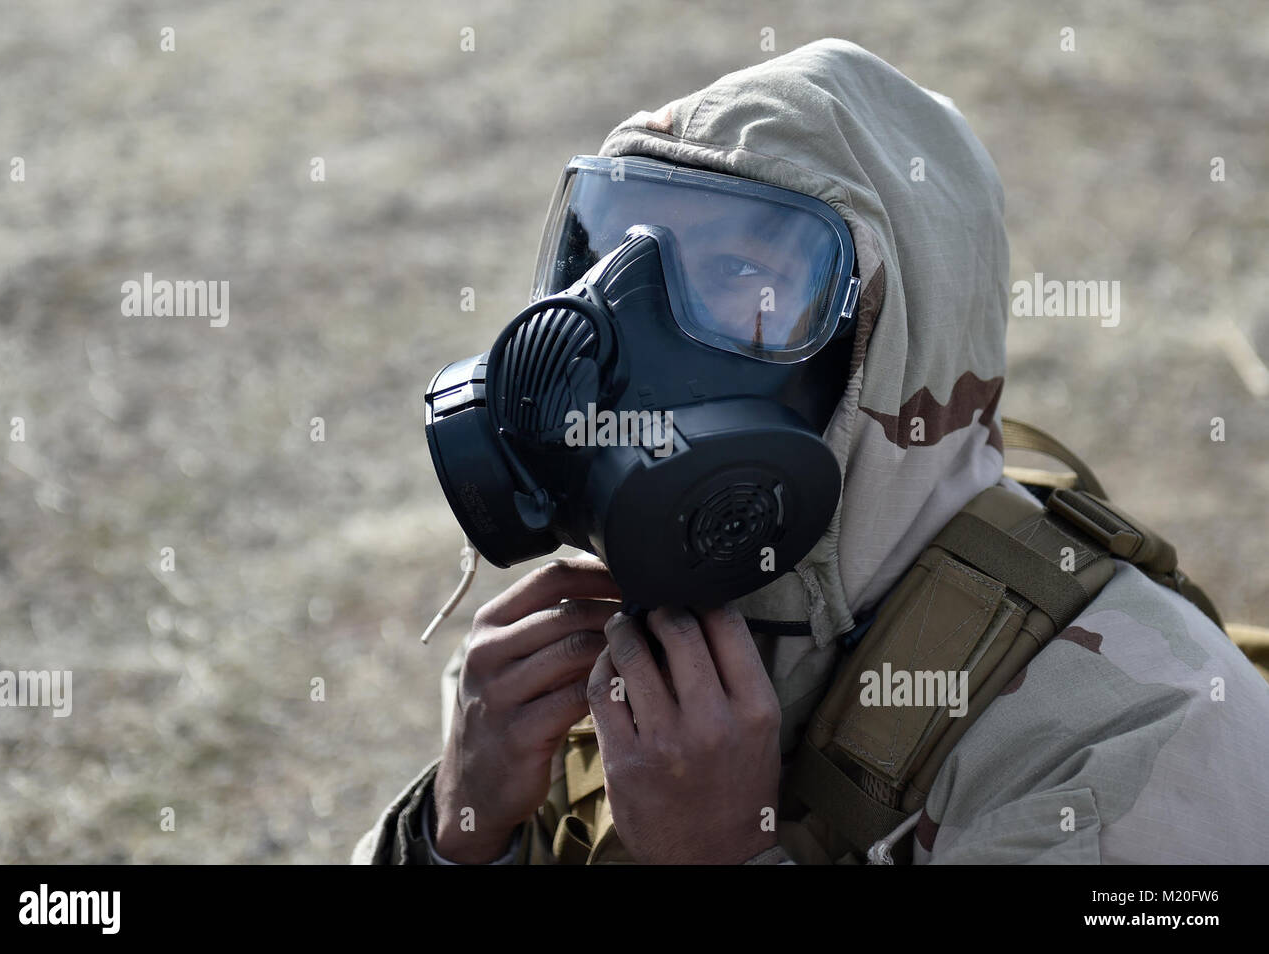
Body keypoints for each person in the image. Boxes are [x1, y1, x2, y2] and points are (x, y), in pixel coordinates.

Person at [354, 38, 1269, 865]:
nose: (614, 329)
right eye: (608, 252)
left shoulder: (1132, 741)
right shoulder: (570, 651)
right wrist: (453, 829)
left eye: (743, 275)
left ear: (893, 343)